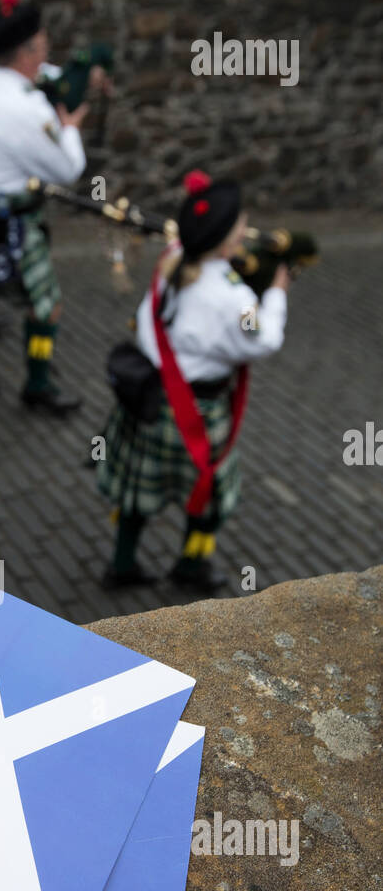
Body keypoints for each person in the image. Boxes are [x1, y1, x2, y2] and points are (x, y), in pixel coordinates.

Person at [97, 171, 289, 591]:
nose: (246, 230)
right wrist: (275, 291)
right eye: (241, 225)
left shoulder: (173, 255)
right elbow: (264, 339)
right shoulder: (235, 299)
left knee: (137, 491)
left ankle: (122, 564)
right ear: (224, 241)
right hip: (198, 412)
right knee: (209, 496)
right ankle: (190, 566)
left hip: (150, 398)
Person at [0, 0, 88, 414]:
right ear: (28, 50)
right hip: (15, 224)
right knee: (45, 308)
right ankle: (38, 382)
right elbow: (67, 171)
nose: (47, 46)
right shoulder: (30, 108)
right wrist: (69, 126)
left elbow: (41, 72)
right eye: (42, 41)